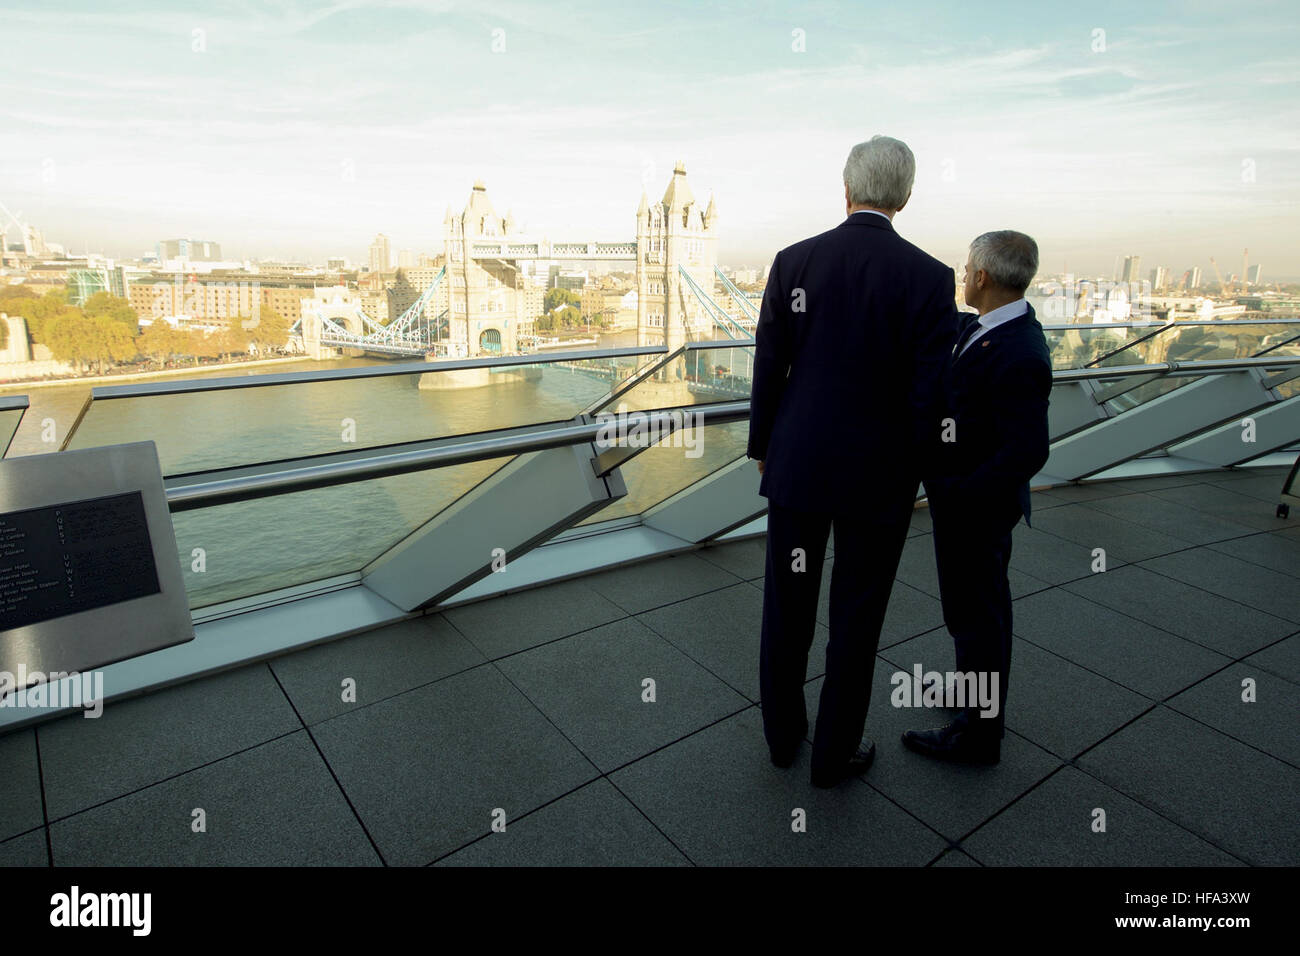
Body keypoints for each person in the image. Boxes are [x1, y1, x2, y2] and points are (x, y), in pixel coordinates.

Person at [748, 135, 958, 788]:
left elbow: (768, 366)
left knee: (788, 608)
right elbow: (932, 397)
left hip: (799, 469)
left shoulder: (794, 262)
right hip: (879, 478)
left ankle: (784, 740)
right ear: (906, 197)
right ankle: (834, 754)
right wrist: (922, 475)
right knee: (856, 618)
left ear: (846, 190)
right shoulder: (930, 278)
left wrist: (763, 448)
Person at [903, 230, 1051, 765]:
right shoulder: (992, 327)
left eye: (968, 269)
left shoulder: (1019, 354)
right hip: (970, 503)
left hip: (977, 509)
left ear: (983, 276)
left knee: (979, 617)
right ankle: (971, 694)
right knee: (970, 610)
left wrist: (960, 493)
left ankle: (979, 735)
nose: (964, 276)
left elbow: (1029, 451)